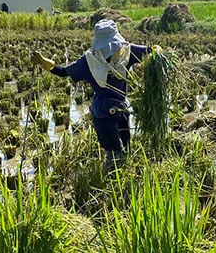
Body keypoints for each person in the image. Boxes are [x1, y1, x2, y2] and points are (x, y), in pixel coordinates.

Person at [31, 19, 150, 169]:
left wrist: (42, 62)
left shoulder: (89, 60)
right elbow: (151, 51)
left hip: (102, 112)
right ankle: (124, 182)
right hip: (122, 109)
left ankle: (112, 184)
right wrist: (157, 52)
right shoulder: (127, 52)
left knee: (113, 154)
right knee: (125, 149)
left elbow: (63, 72)